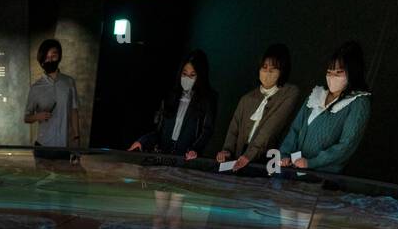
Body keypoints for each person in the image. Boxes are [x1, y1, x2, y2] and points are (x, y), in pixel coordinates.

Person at [279, 41, 371, 173]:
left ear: (352, 72)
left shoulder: (358, 102)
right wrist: (285, 154)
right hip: (294, 168)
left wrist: (311, 163)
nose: (332, 76)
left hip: (322, 175)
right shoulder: (317, 94)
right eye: (329, 72)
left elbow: (346, 145)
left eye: (338, 72)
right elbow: (295, 128)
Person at [215, 43, 301, 171]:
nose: (267, 73)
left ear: (282, 71)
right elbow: (234, 128)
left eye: (272, 70)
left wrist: (249, 155)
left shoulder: (289, 93)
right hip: (240, 155)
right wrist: (227, 150)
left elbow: (272, 126)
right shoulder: (247, 98)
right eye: (264, 68)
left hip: (268, 159)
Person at [128, 51, 217, 159]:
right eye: (184, 74)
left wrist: (194, 149)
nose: (187, 78)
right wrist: (142, 141)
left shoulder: (207, 99)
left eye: (192, 75)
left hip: (186, 158)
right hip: (164, 154)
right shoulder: (171, 96)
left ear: (200, 76)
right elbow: (159, 131)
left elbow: (207, 130)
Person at [24, 38, 80, 154]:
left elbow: (74, 111)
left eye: (54, 55)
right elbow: (26, 117)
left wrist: (76, 137)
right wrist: (37, 116)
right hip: (43, 145)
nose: (50, 59)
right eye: (47, 57)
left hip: (65, 145)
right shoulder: (35, 87)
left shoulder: (69, 82)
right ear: (42, 60)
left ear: (59, 56)